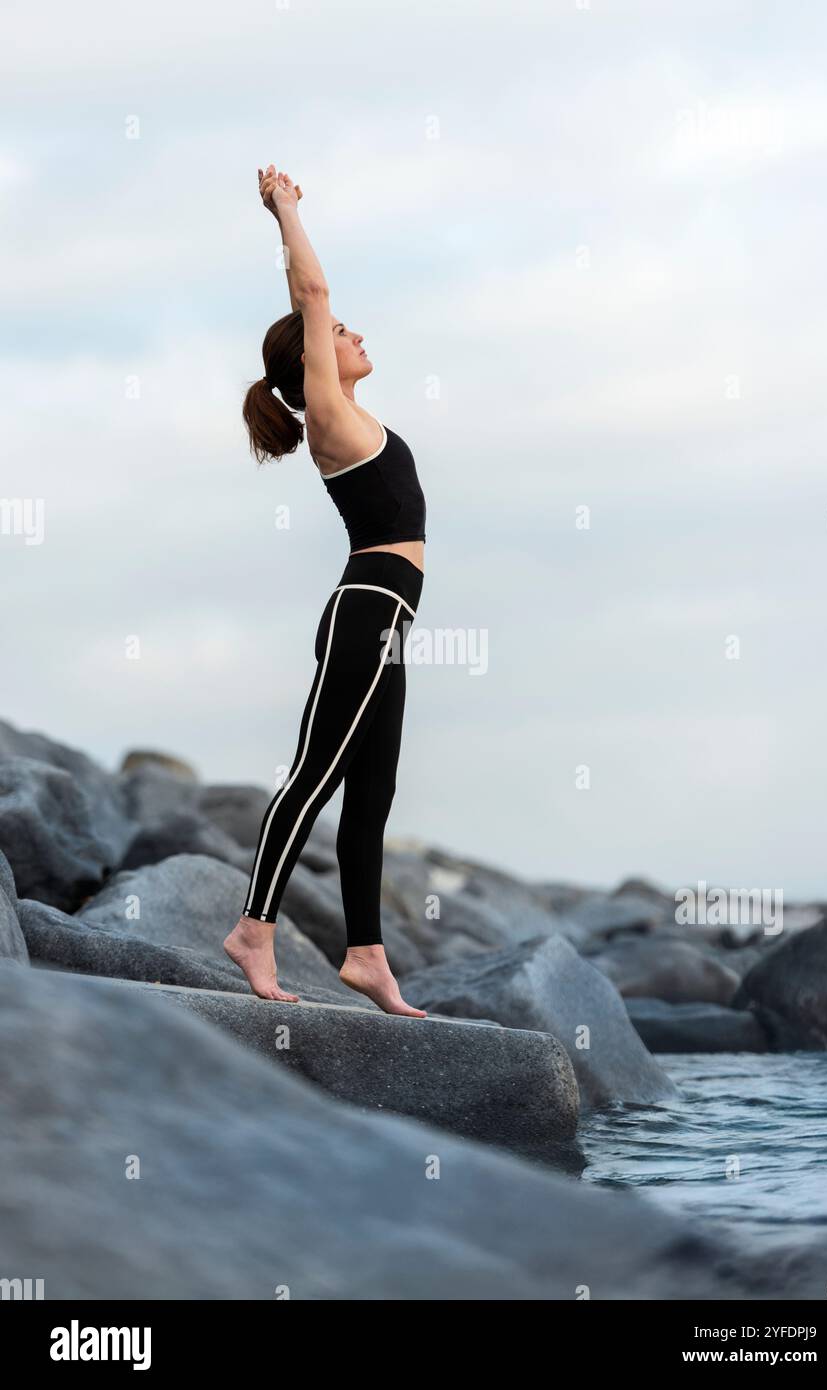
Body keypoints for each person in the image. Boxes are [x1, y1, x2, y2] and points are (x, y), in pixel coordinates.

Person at [223, 165, 428, 1017]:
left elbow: (313, 300)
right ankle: (253, 930)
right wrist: (287, 212)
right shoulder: (329, 414)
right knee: (315, 774)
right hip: (366, 608)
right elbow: (310, 286)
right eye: (337, 332)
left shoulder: (352, 413)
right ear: (312, 358)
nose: (351, 335)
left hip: (389, 615)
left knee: (371, 793)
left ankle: (367, 954)